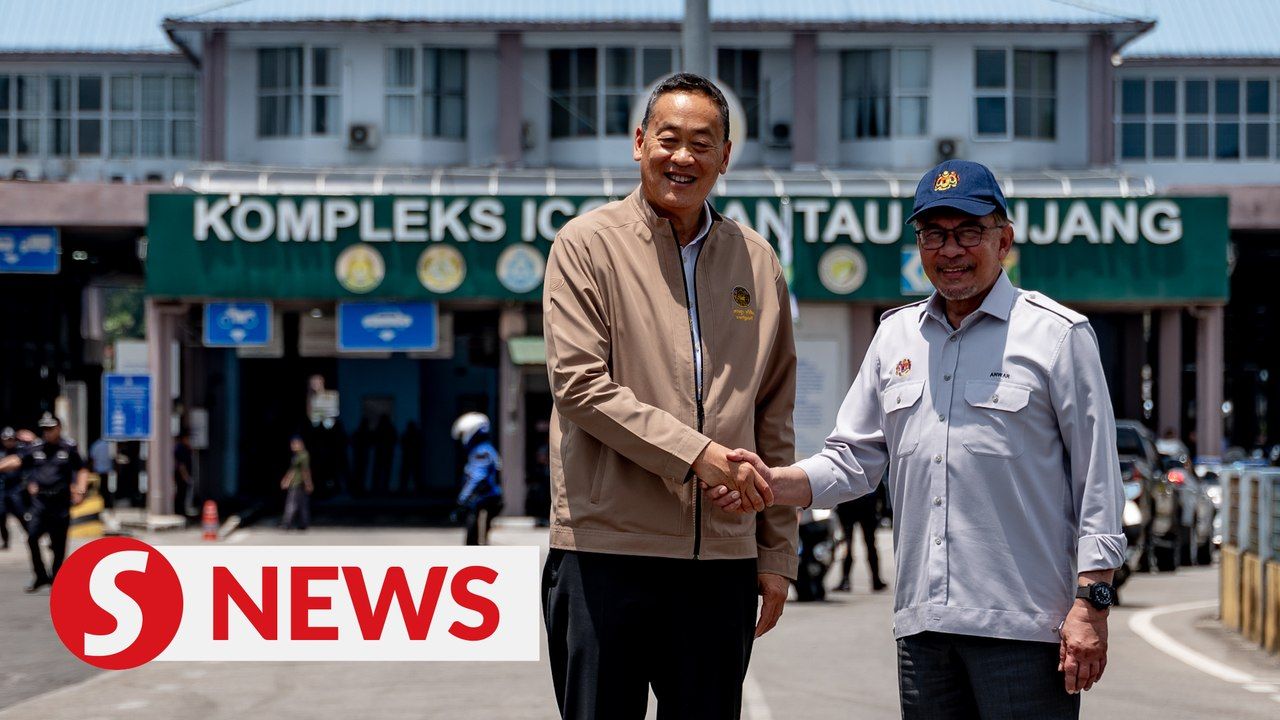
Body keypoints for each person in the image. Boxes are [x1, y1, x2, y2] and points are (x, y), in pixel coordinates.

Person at [713, 160, 1125, 719]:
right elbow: (853, 460)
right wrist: (772, 481)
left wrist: (1092, 603)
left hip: (1026, 632)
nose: (950, 249)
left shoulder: (1057, 336)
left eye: (968, 232)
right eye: (934, 234)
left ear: (1003, 239)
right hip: (923, 630)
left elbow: (1097, 480)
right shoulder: (895, 335)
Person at [541, 72, 797, 719]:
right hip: (605, 550)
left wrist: (775, 551)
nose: (682, 157)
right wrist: (699, 455)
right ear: (639, 143)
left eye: (701, 143)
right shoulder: (585, 245)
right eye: (669, 139)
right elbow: (579, 384)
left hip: (720, 563)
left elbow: (774, 413)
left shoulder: (757, 261)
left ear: (725, 156)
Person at [0, 413, 89, 592]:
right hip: (40, 502)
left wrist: (80, 489)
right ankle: (40, 576)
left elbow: (81, 469)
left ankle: (56, 578)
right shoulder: (36, 447)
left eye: (50, 429)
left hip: (61, 501)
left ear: (59, 429)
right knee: (32, 537)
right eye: (44, 429)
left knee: (58, 543)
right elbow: (17, 460)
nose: (47, 433)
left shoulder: (68, 447)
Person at [451, 412, 503, 546]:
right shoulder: (485, 449)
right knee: (476, 541)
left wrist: (462, 499)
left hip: (483, 502)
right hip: (484, 500)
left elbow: (477, 477)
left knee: (477, 543)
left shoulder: (481, 451)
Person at [834, 486, 887, 593]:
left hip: (850, 502)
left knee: (852, 543)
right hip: (864, 503)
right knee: (868, 543)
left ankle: (846, 580)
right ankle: (875, 580)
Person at [279, 435, 313, 531]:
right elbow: (292, 470)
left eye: (295, 444)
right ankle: (302, 523)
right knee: (301, 504)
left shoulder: (303, 455)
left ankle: (288, 523)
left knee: (292, 504)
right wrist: (286, 480)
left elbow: (305, 470)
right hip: (295, 482)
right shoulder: (296, 456)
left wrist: (308, 483)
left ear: (300, 444)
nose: (292, 446)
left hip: (298, 482)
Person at [0, 427, 26, 550]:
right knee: (1, 517)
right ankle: (5, 541)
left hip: (17, 489)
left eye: (11, 439)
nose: (9, 442)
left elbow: (17, 462)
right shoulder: (1, 452)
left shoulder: (21, 450)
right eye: (6, 439)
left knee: (21, 515)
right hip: (3, 490)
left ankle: (31, 536)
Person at [173, 431, 193, 518]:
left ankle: (181, 510)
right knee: (182, 493)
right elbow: (182, 465)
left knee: (182, 493)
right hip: (181, 475)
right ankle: (180, 511)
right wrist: (186, 477)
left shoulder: (183, 447)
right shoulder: (181, 448)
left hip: (180, 475)